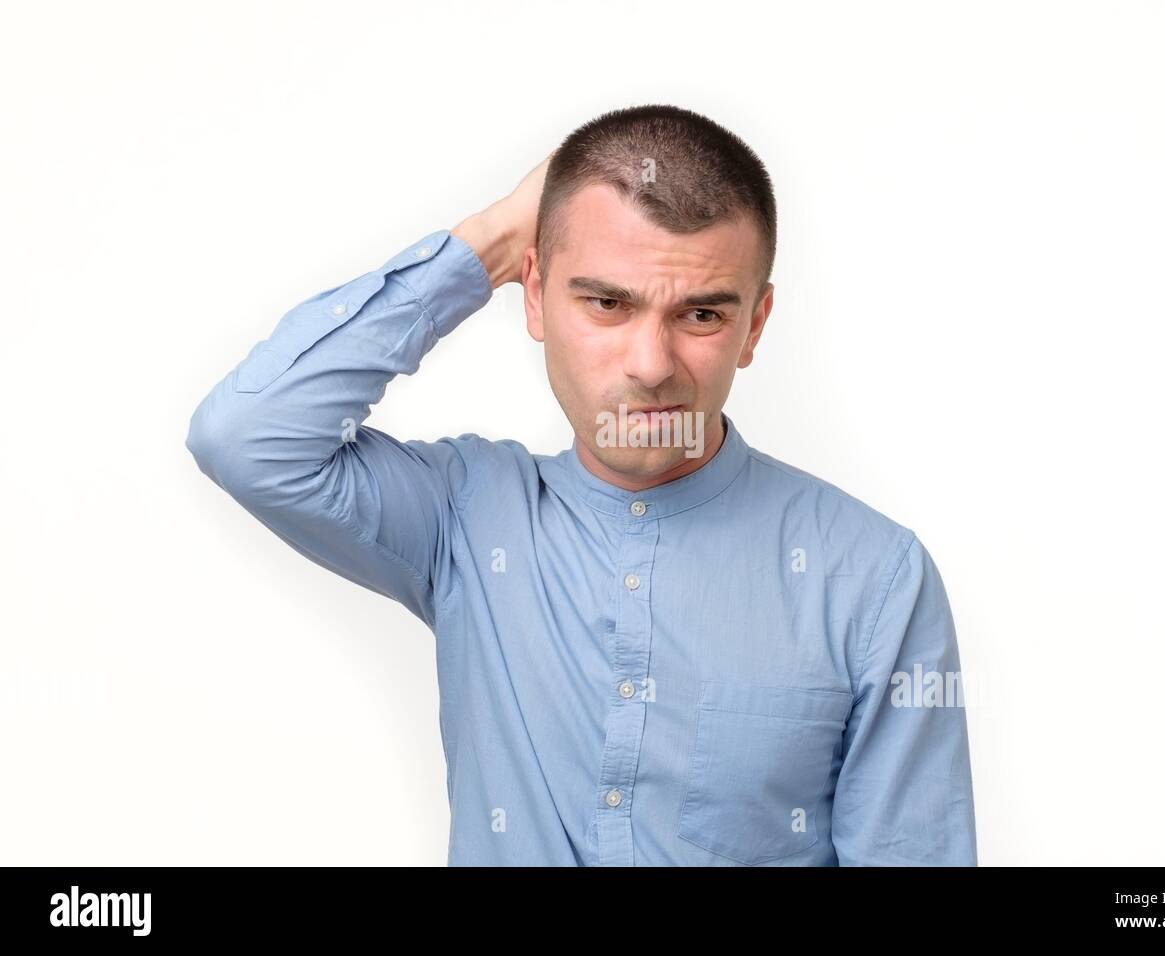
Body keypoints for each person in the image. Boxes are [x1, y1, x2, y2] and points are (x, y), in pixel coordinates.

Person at [185, 103, 977, 866]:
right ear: (534, 295)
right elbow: (247, 437)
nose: (651, 364)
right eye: (606, 302)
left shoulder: (874, 577)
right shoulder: (465, 519)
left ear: (754, 328)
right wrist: (485, 246)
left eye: (701, 315)